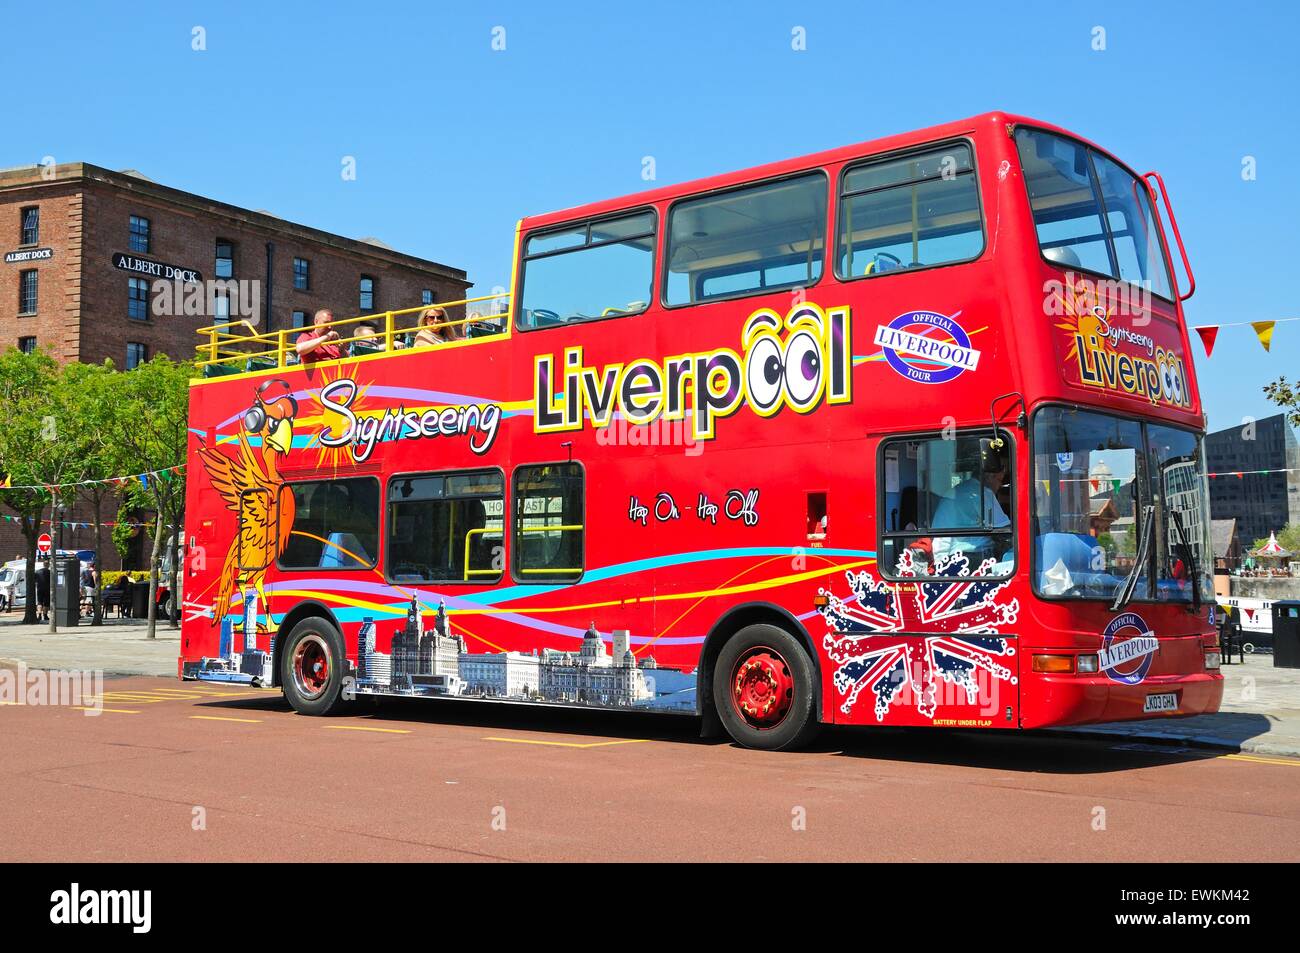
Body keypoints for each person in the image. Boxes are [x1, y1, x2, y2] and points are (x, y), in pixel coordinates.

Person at [931, 444, 1010, 564]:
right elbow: (1005, 532)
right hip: (974, 559)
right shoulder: (983, 493)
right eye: (999, 481)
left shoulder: (956, 491)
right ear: (989, 477)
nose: (999, 487)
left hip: (944, 559)